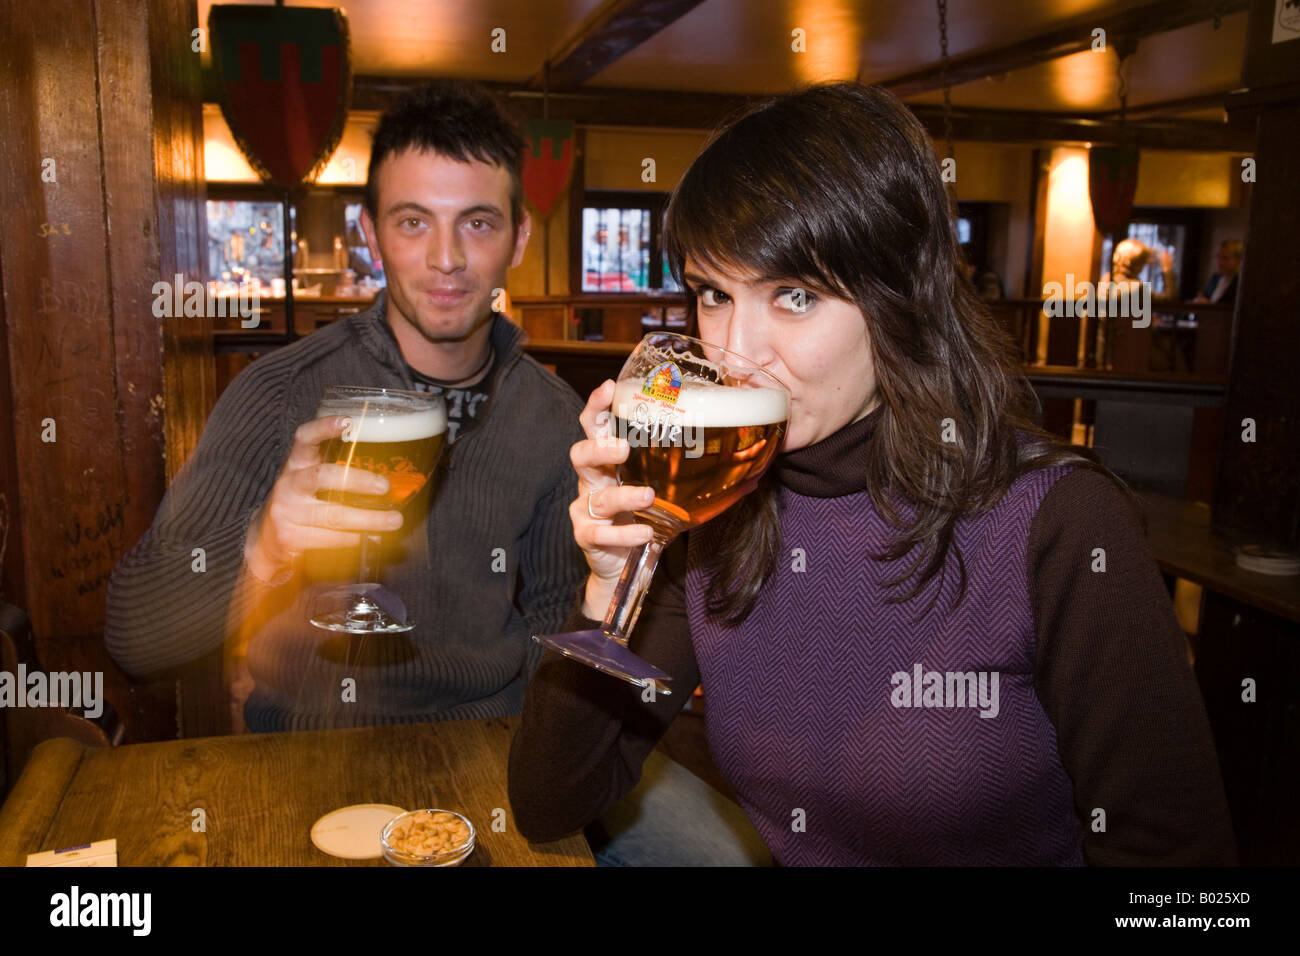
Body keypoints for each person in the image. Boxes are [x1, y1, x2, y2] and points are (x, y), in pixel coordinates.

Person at [508, 81, 1237, 865]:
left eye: (794, 295)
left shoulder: (1058, 525)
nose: (738, 353)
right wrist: (610, 589)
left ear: (902, 300)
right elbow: (549, 802)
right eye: (714, 293)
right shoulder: (713, 508)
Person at [106, 80, 590, 731]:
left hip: (487, 740)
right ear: (371, 234)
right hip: (308, 742)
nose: (446, 259)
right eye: (413, 222)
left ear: (520, 238)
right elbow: (134, 638)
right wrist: (263, 546)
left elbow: (553, 627)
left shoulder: (557, 416)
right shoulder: (280, 391)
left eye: (477, 223)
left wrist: (527, 767)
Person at [1193, 240, 1243, 305]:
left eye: (1225, 258)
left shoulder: (1240, 283)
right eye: (1218, 257)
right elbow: (1204, 297)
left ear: (1238, 260)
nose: (1219, 262)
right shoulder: (1216, 277)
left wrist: (1208, 305)